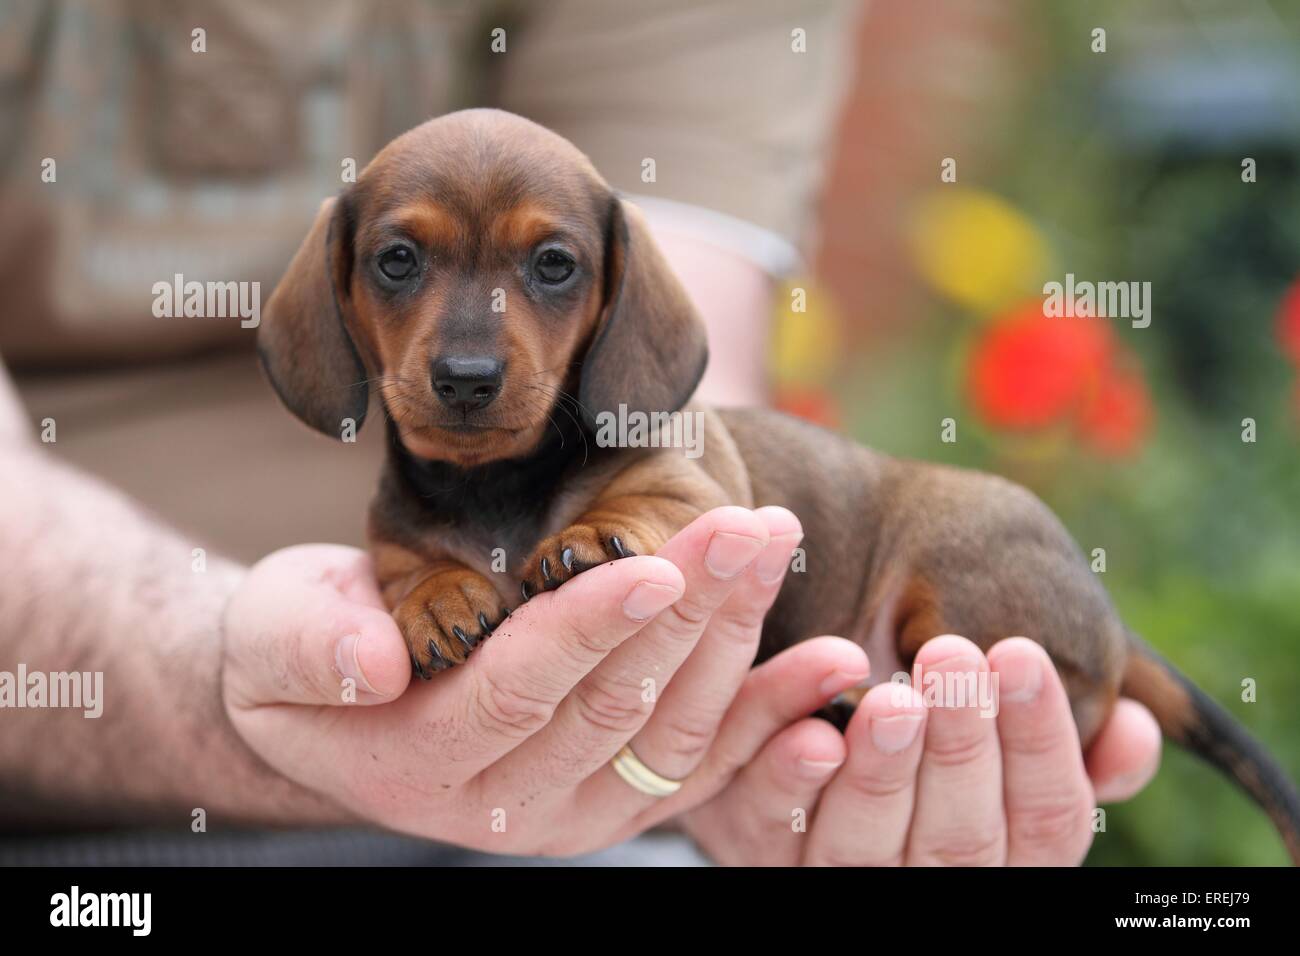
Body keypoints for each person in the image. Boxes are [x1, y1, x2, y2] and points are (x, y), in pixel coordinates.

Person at [0, 0, 1159, 865]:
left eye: (547, 269)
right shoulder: (406, 526)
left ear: (605, 297)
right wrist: (250, 672)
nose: (467, 351)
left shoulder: (645, 418)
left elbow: (691, 469)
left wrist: (699, 738)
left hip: (613, 795)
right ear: (342, 292)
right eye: (403, 264)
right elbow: (409, 572)